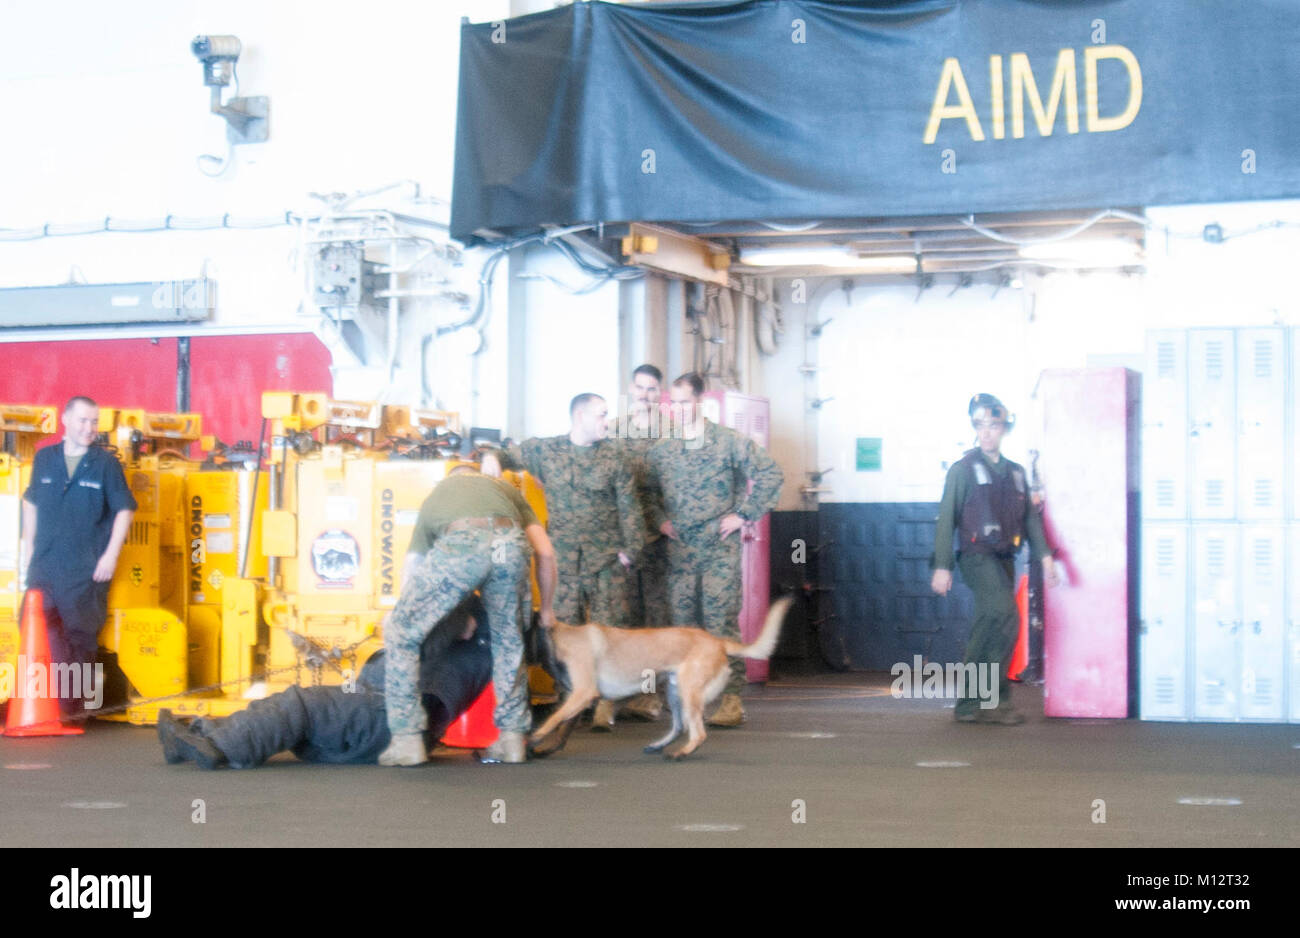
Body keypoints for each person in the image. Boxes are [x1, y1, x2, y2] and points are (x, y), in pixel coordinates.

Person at [156, 597, 492, 769]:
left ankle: (217, 749)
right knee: (291, 708)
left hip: (385, 717)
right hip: (380, 711)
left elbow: (421, 637)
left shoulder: (471, 621)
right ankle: (199, 735)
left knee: (300, 705)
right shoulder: (484, 623)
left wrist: (454, 620)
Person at [481, 393, 649, 730]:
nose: (606, 421)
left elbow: (630, 508)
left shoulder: (616, 458)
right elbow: (508, 453)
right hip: (564, 561)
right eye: (601, 415)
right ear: (580, 415)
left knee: (610, 633)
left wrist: (632, 550)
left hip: (606, 558)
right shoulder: (547, 451)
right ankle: (569, 696)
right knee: (563, 632)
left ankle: (605, 704)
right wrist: (492, 458)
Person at [378, 464, 557, 767]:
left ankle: (407, 739)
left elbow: (413, 566)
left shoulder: (438, 494)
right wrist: (548, 609)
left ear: (451, 477)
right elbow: (547, 552)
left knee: (400, 632)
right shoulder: (506, 490)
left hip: (462, 543)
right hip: (510, 546)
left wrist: (408, 617)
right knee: (508, 641)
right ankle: (512, 739)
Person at [646, 373, 783, 727]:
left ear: (700, 402)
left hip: (718, 549)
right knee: (684, 630)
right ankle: (690, 698)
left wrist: (744, 516)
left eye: (684, 402)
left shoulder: (728, 442)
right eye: (672, 403)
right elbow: (646, 493)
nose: (678, 409)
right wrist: (660, 520)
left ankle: (731, 699)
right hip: (679, 552)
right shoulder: (662, 450)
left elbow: (770, 473)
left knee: (720, 625)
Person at [930, 393, 1059, 725]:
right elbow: (946, 518)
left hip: (1003, 559)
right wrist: (942, 565)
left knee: (988, 626)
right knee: (1005, 615)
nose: (986, 432)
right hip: (976, 558)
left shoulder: (1015, 473)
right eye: (980, 425)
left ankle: (971, 704)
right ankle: (994, 701)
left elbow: (1030, 518)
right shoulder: (963, 470)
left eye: (993, 425)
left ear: (1004, 428)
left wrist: (1045, 557)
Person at [20, 395, 136, 716]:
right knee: (35, 625)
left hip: (85, 569)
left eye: (94, 422)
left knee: (80, 636)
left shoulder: (105, 464)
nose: (89, 428)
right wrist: (28, 548)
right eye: (83, 421)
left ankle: (74, 711)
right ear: (65, 421)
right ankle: (45, 704)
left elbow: (124, 510)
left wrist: (110, 556)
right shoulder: (44, 459)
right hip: (44, 564)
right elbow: (30, 502)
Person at [612, 365, 672, 632]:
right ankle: (634, 673)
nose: (644, 394)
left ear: (660, 393)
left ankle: (657, 674)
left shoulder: (673, 432)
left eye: (651, 389)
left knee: (659, 611)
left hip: (660, 535)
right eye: (640, 387)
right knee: (625, 612)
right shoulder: (613, 430)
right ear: (630, 388)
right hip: (622, 535)